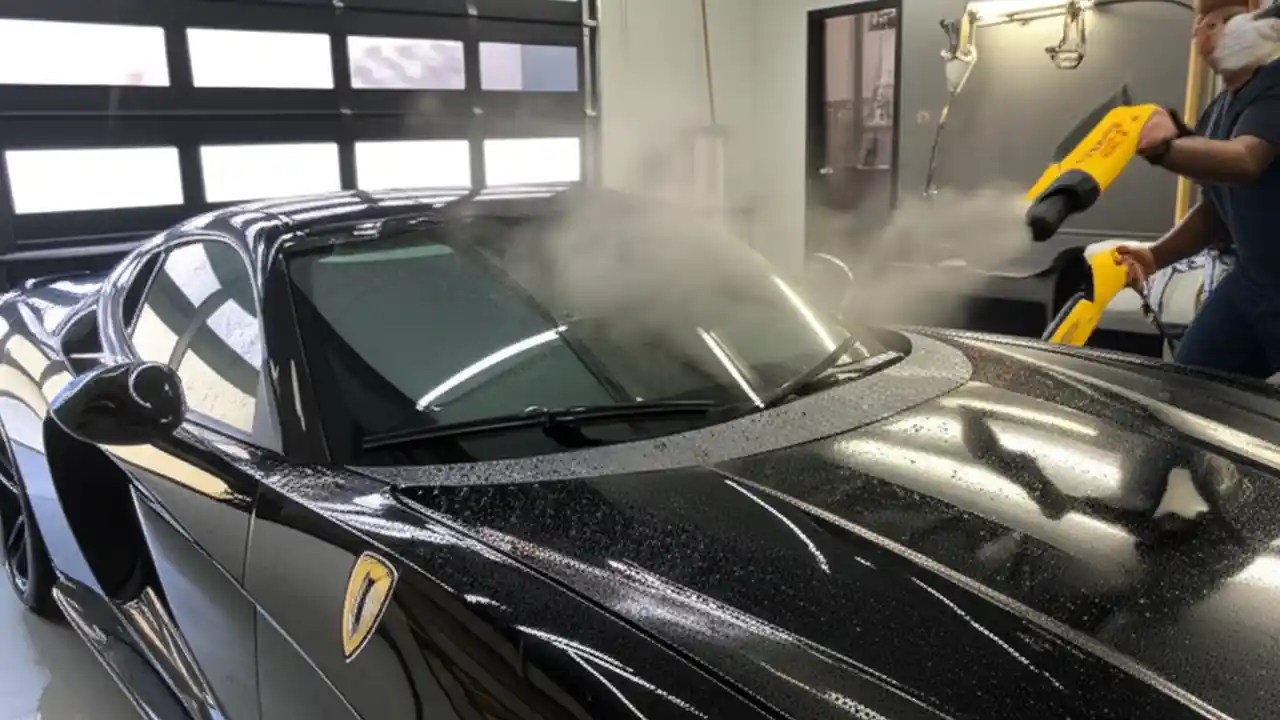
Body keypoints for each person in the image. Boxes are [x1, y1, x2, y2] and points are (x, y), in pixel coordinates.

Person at [1116, 0, 1280, 380]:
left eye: (1229, 21)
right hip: (1253, 285)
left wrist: (1166, 149)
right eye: (1204, 26)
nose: (1216, 32)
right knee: (1184, 387)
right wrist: (1153, 257)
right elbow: (1217, 215)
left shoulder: (1274, 86)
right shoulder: (1216, 112)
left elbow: (1245, 161)